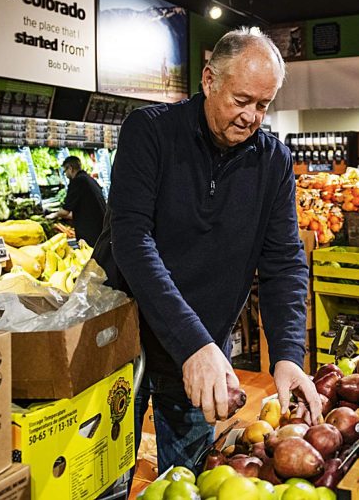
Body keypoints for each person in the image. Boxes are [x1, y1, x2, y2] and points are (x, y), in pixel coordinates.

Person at [94, 27, 318, 472]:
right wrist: (192, 343)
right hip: (126, 340)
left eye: (263, 105)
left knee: (193, 475)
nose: (251, 116)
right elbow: (133, 242)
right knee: (107, 473)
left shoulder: (273, 161)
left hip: (204, 350)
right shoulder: (150, 132)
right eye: (241, 100)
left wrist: (289, 354)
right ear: (209, 80)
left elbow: (284, 263)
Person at [55, 156, 107, 247]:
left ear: (70, 168)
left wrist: (52, 215)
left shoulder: (77, 181)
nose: (66, 175)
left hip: (90, 232)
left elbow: (65, 211)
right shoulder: (89, 179)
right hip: (100, 228)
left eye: (65, 171)